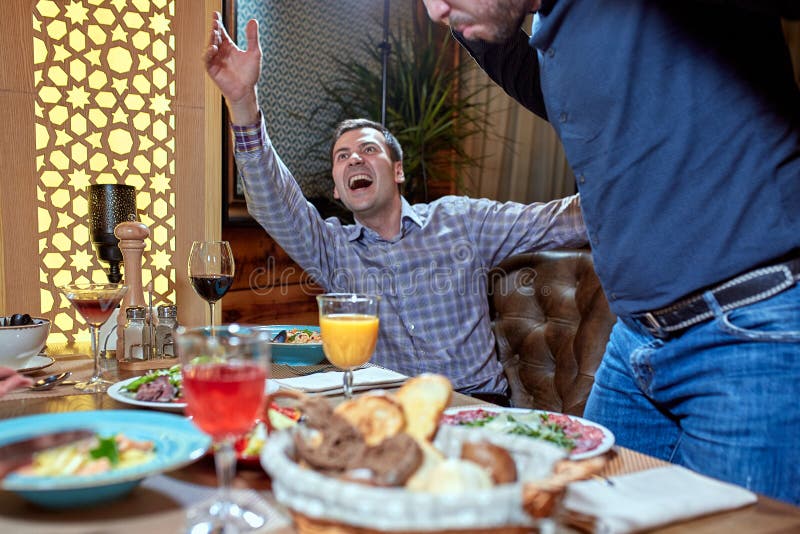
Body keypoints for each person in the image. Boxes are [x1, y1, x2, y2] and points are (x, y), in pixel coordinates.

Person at [422, 0, 800, 504]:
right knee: (582, 514)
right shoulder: (558, 30)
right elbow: (554, 92)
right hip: (635, 343)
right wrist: (474, 25)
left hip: (749, 328)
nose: (433, 10)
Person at [203, 12, 588, 403]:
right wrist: (242, 100)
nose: (354, 160)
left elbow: (556, 222)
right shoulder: (332, 248)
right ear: (337, 190)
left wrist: (629, 189)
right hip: (390, 410)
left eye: (369, 149)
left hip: (475, 404)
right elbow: (274, 203)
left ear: (398, 170)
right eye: (342, 157)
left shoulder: (460, 220)